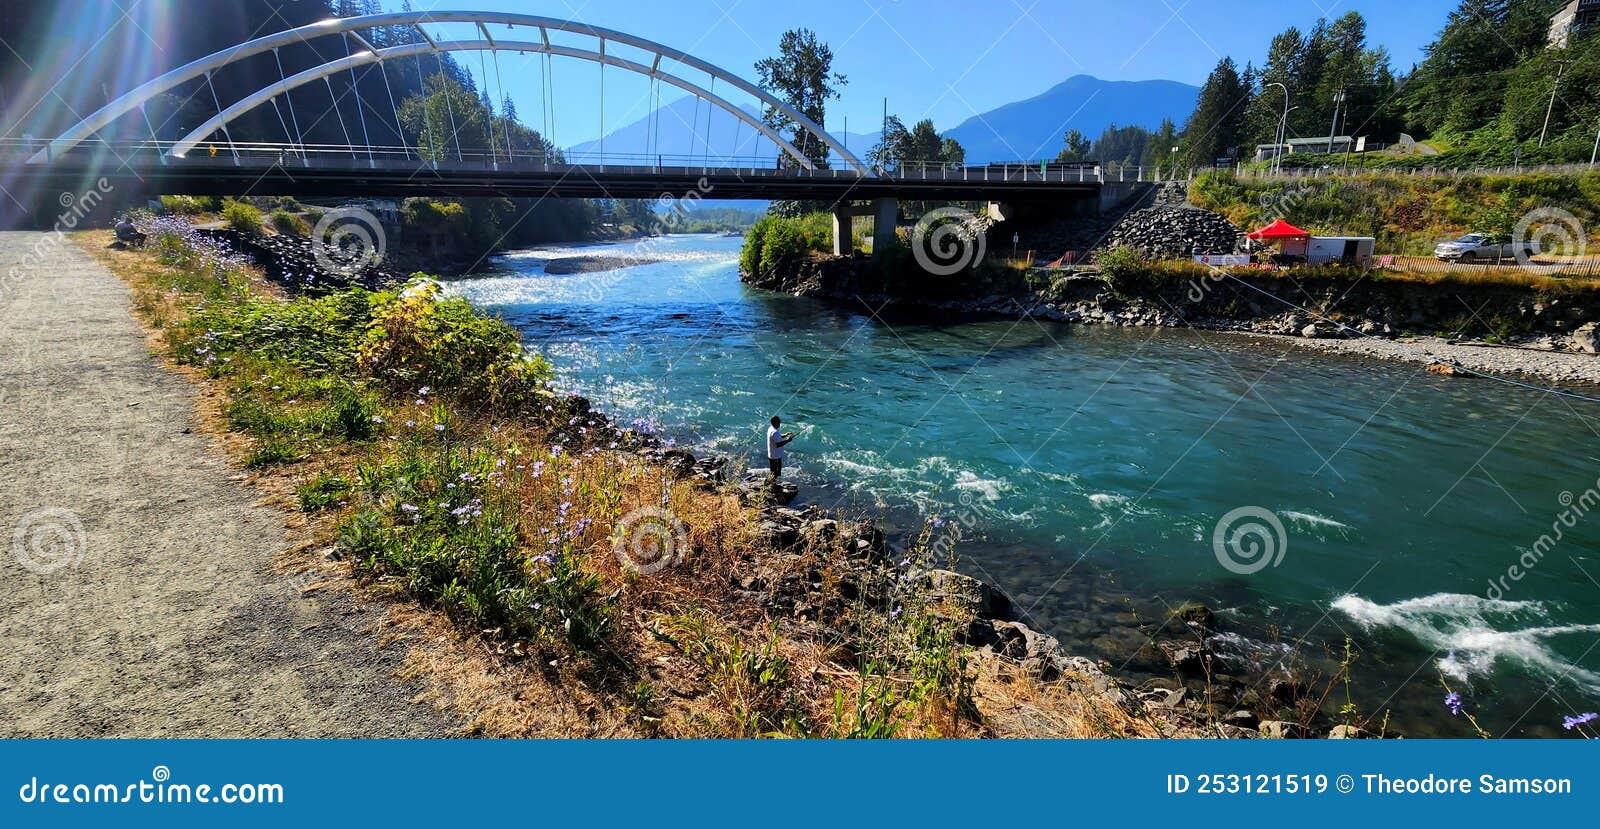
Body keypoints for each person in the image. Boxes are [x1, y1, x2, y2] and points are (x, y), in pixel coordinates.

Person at [766, 416, 794, 483]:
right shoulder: (774, 432)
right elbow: (778, 445)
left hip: (773, 454)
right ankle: (772, 485)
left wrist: (785, 435)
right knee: (774, 473)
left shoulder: (771, 428)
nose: (780, 424)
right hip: (775, 456)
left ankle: (771, 484)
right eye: (779, 423)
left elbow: (778, 436)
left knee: (774, 471)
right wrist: (788, 440)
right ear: (775, 423)